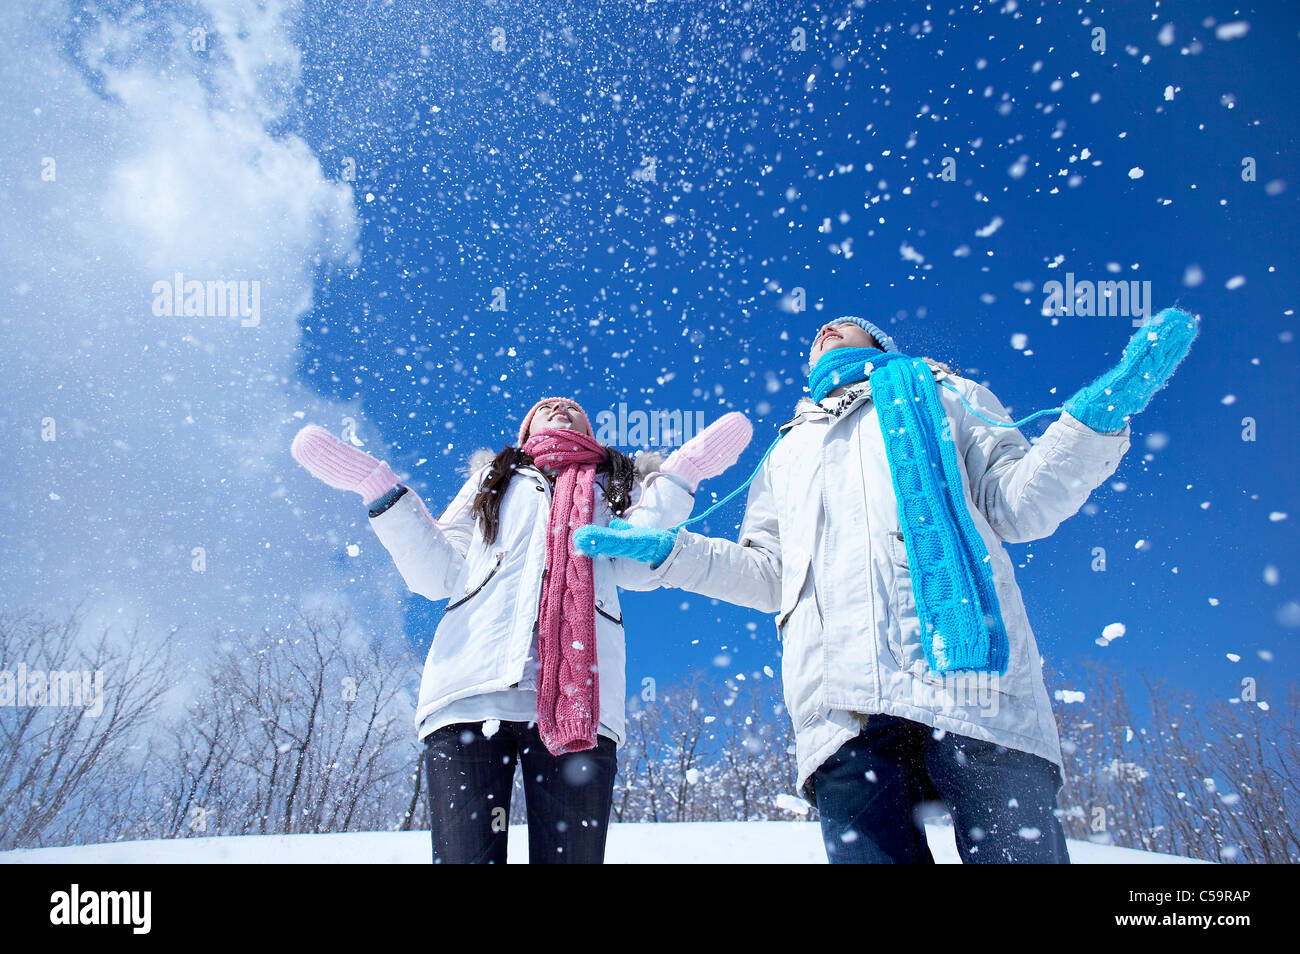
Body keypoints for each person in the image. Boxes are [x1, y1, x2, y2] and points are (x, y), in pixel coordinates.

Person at [576, 309, 1198, 863]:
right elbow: (769, 573)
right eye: (816, 330)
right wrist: (673, 554)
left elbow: (1018, 505)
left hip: (972, 684)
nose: (825, 327)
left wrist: (1089, 425)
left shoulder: (948, 394)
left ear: (879, 341)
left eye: (843, 322)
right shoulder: (787, 448)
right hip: (840, 706)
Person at [290, 397, 751, 863]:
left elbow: (638, 568)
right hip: (471, 693)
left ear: (589, 430)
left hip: (582, 705)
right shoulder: (493, 480)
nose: (559, 408)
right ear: (527, 428)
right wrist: (380, 490)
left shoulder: (613, 483)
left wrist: (681, 473)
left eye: (572, 408)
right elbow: (436, 574)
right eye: (547, 406)